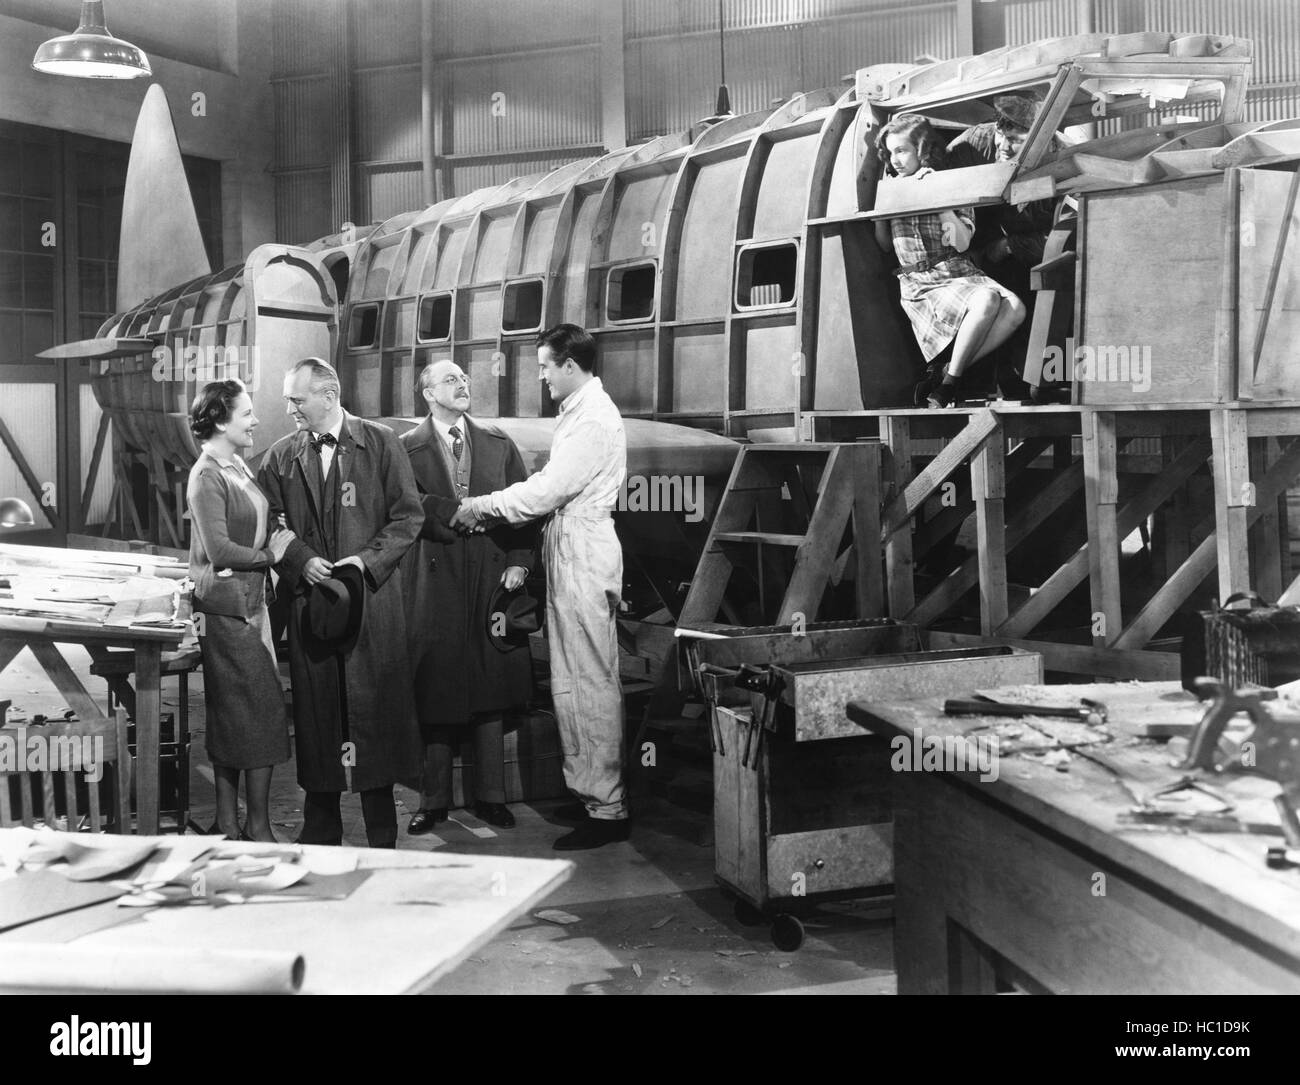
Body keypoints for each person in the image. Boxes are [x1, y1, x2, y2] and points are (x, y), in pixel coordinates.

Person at [451, 324, 629, 851]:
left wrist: (481, 506)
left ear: (570, 365)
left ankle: (609, 807)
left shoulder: (593, 419)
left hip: (582, 547)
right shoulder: (577, 414)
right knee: (573, 679)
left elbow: (545, 492)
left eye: (547, 366)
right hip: (572, 545)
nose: (542, 376)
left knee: (589, 681)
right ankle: (596, 798)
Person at [258, 357, 424, 848]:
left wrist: (365, 563)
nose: (290, 408)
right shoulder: (280, 456)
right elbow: (265, 521)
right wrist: (300, 561)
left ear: (329, 396)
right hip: (313, 608)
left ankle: (381, 840)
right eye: (289, 399)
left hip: (371, 606)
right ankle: (321, 837)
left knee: (375, 718)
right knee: (318, 720)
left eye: (297, 399)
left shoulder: (381, 444)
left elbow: (408, 518)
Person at [400, 359, 536, 833]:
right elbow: (405, 505)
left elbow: (528, 504)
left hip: (492, 577)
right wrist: (455, 512)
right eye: (451, 380)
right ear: (428, 393)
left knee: (491, 685)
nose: (463, 384)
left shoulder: (498, 443)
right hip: (435, 581)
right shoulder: (405, 449)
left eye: (464, 378)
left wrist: (521, 560)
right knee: (435, 687)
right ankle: (433, 800)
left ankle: (492, 796)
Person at [186, 379, 295, 842]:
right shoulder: (207, 474)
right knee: (259, 715)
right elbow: (221, 549)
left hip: (251, 605)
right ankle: (256, 827)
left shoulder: (238, 466)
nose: (255, 421)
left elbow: (255, 522)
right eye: (246, 414)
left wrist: (276, 528)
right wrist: (274, 555)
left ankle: (232, 824)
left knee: (238, 717)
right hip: (228, 612)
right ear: (219, 420)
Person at [873, 113, 1026, 408]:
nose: (895, 159)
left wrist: (939, 197)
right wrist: (882, 215)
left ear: (922, 150)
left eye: (902, 150)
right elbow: (883, 246)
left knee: (1016, 309)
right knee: (986, 301)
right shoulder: (891, 189)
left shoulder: (950, 184)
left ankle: (947, 375)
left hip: (956, 271)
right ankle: (949, 384)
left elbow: (962, 242)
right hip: (921, 283)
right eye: (891, 152)